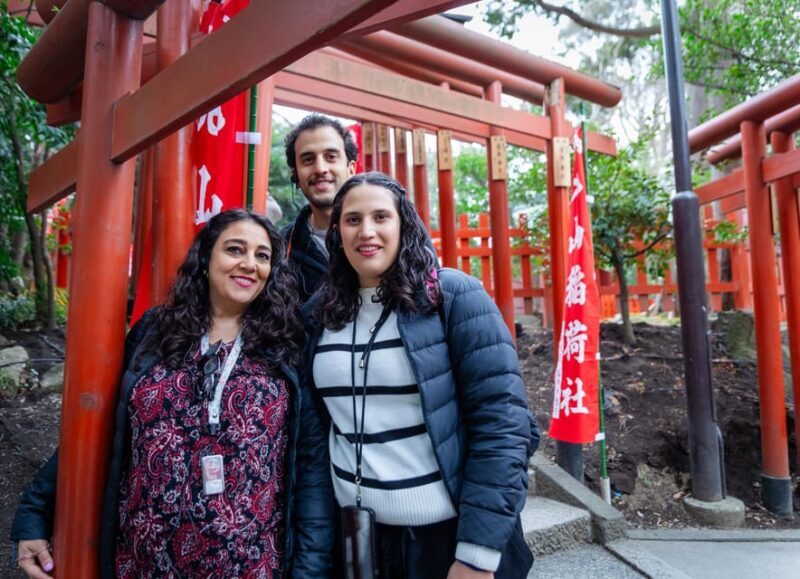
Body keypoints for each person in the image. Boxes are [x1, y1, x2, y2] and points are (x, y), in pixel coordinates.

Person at [11, 209, 333, 579]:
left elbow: (311, 469)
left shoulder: (288, 343)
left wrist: (309, 571)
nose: (249, 264)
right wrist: (35, 513)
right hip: (141, 562)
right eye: (234, 250)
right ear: (205, 258)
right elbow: (99, 427)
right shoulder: (155, 329)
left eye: (262, 256)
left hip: (250, 565)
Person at [303, 172, 539, 578]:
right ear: (337, 231)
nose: (367, 231)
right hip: (359, 539)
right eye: (353, 220)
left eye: (381, 216)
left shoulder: (453, 296)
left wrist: (477, 554)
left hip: (443, 540)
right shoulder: (320, 313)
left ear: (403, 224)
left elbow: (503, 425)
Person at [282, 114, 357, 302]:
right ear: (296, 176)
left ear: (351, 169)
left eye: (331, 157)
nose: (320, 169)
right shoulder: (281, 247)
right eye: (308, 159)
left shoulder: (390, 231)